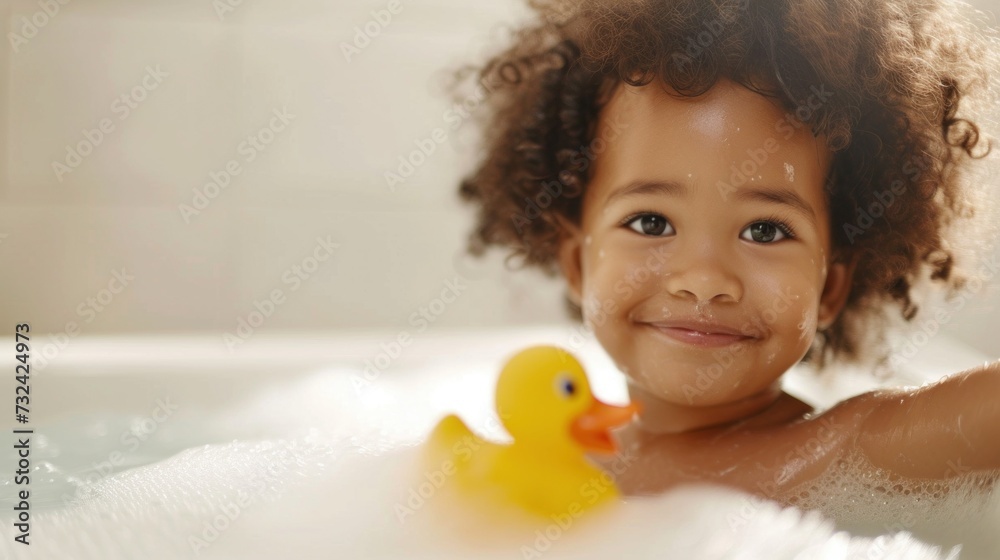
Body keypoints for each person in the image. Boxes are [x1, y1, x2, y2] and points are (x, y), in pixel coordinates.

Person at [450, 0, 1000, 504]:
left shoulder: (839, 454)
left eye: (764, 230)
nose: (703, 278)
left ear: (829, 288)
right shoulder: (563, 462)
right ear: (577, 263)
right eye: (650, 222)